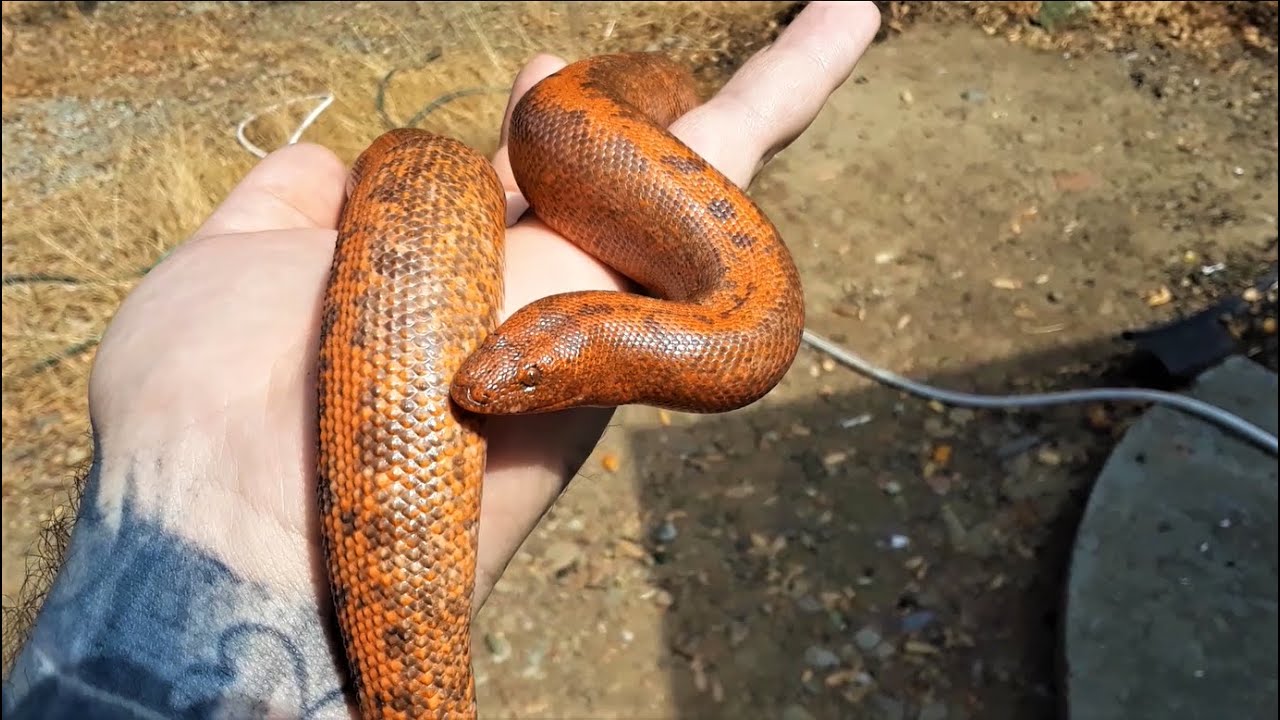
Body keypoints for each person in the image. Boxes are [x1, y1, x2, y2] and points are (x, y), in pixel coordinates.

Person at [1, 2, 881, 717]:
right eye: (522, 358)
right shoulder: (685, 311)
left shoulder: (727, 327)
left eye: (529, 377)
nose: (482, 384)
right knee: (450, 153)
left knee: (467, 149)